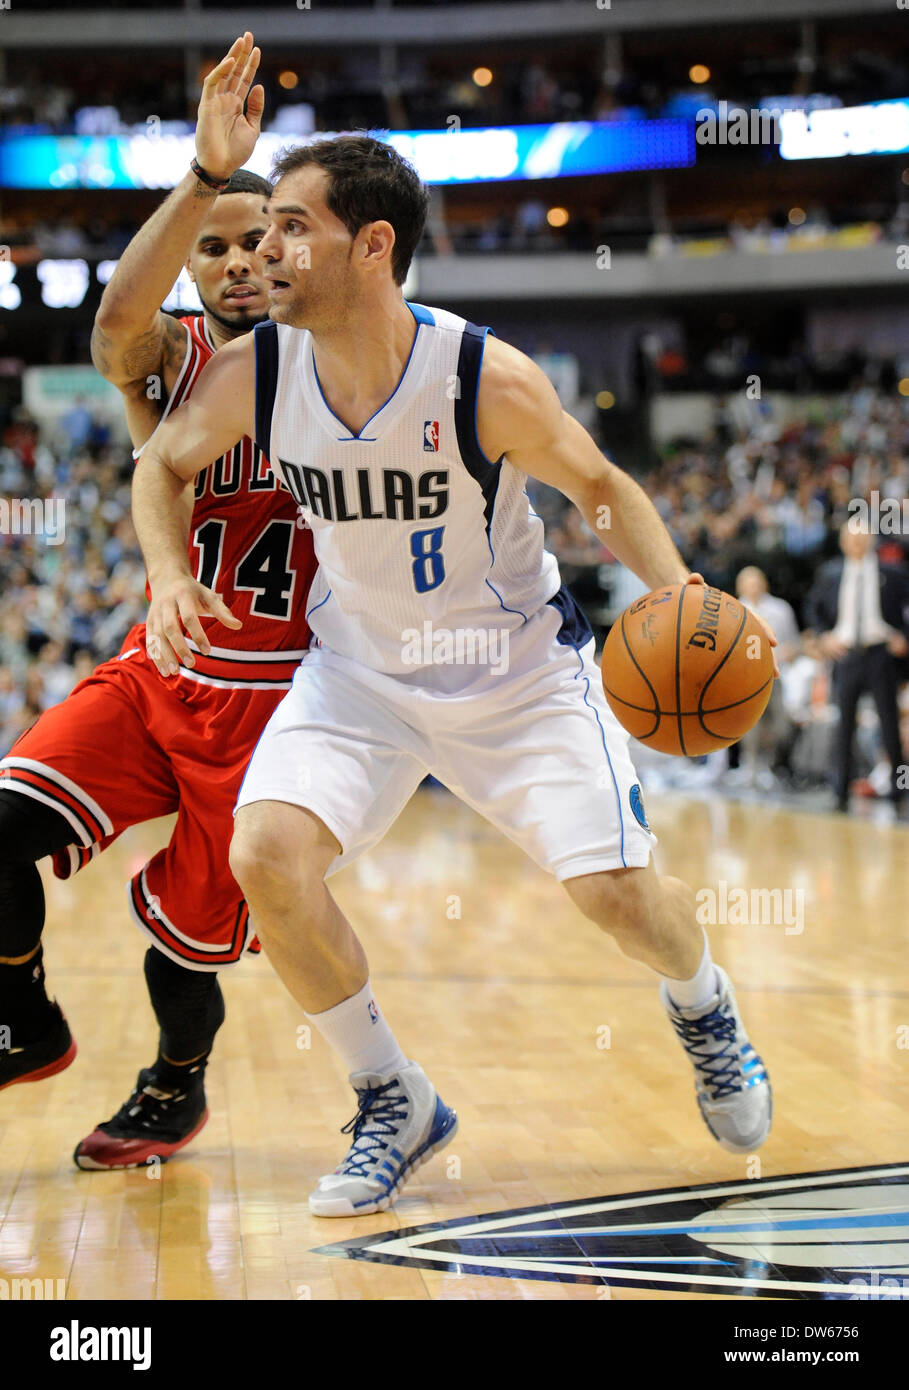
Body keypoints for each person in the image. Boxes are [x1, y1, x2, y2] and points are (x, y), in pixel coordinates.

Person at [132, 132, 776, 1218]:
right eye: (263, 226)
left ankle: (703, 1004)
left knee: (618, 899)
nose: (263, 250)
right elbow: (162, 464)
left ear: (372, 246)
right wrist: (163, 575)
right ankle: (393, 1095)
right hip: (360, 679)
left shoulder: (483, 377)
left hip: (516, 676)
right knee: (267, 856)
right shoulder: (263, 369)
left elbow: (600, 486)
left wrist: (679, 594)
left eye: (294, 226)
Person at [0, 35, 318, 1171]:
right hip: (162, 670)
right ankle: (23, 1020)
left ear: (296, 250)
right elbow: (110, 324)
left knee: (179, 948)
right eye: (216, 248)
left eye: (258, 241)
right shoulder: (172, 365)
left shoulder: (350, 368)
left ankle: (172, 1086)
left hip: (278, 703)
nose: (237, 263)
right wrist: (202, 173)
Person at [806, 524, 909, 812]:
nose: (857, 542)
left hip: (880, 653)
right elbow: (812, 608)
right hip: (847, 654)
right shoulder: (832, 574)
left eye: (862, 537)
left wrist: (904, 636)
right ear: (843, 542)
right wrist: (824, 636)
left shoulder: (892, 572)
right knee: (844, 724)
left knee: (889, 724)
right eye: (851, 538)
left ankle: (899, 791)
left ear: (871, 540)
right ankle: (839, 791)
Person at [734, 566, 799, 788]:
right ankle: (750, 768)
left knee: (781, 726)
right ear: (740, 586)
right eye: (748, 583)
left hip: (775, 676)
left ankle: (769, 766)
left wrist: (789, 652)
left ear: (764, 584)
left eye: (756, 582)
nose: (752, 587)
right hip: (745, 679)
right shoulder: (733, 609)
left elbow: (793, 643)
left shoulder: (781, 609)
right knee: (748, 726)